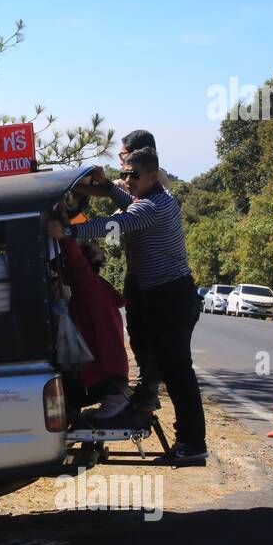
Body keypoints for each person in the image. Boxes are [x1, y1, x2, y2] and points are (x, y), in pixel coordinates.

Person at [49, 148, 207, 465]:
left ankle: (192, 443)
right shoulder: (147, 199)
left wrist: (67, 231)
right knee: (159, 361)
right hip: (163, 295)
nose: (128, 180)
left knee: (177, 371)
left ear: (153, 174)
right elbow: (125, 203)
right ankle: (151, 414)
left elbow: (114, 224)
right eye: (125, 174)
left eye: (134, 175)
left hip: (171, 297)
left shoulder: (153, 207)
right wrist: (107, 185)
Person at [114, 129, 173, 413]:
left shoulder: (155, 188)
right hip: (140, 275)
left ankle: (149, 390)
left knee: (151, 337)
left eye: (123, 158)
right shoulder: (144, 180)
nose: (126, 176)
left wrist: (68, 230)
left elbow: (130, 214)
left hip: (155, 281)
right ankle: (147, 388)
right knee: (139, 332)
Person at [59, 236, 131, 424]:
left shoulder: (89, 287)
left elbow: (76, 262)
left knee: (60, 386)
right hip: (111, 372)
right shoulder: (96, 289)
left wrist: (64, 235)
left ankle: (113, 398)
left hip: (106, 374)